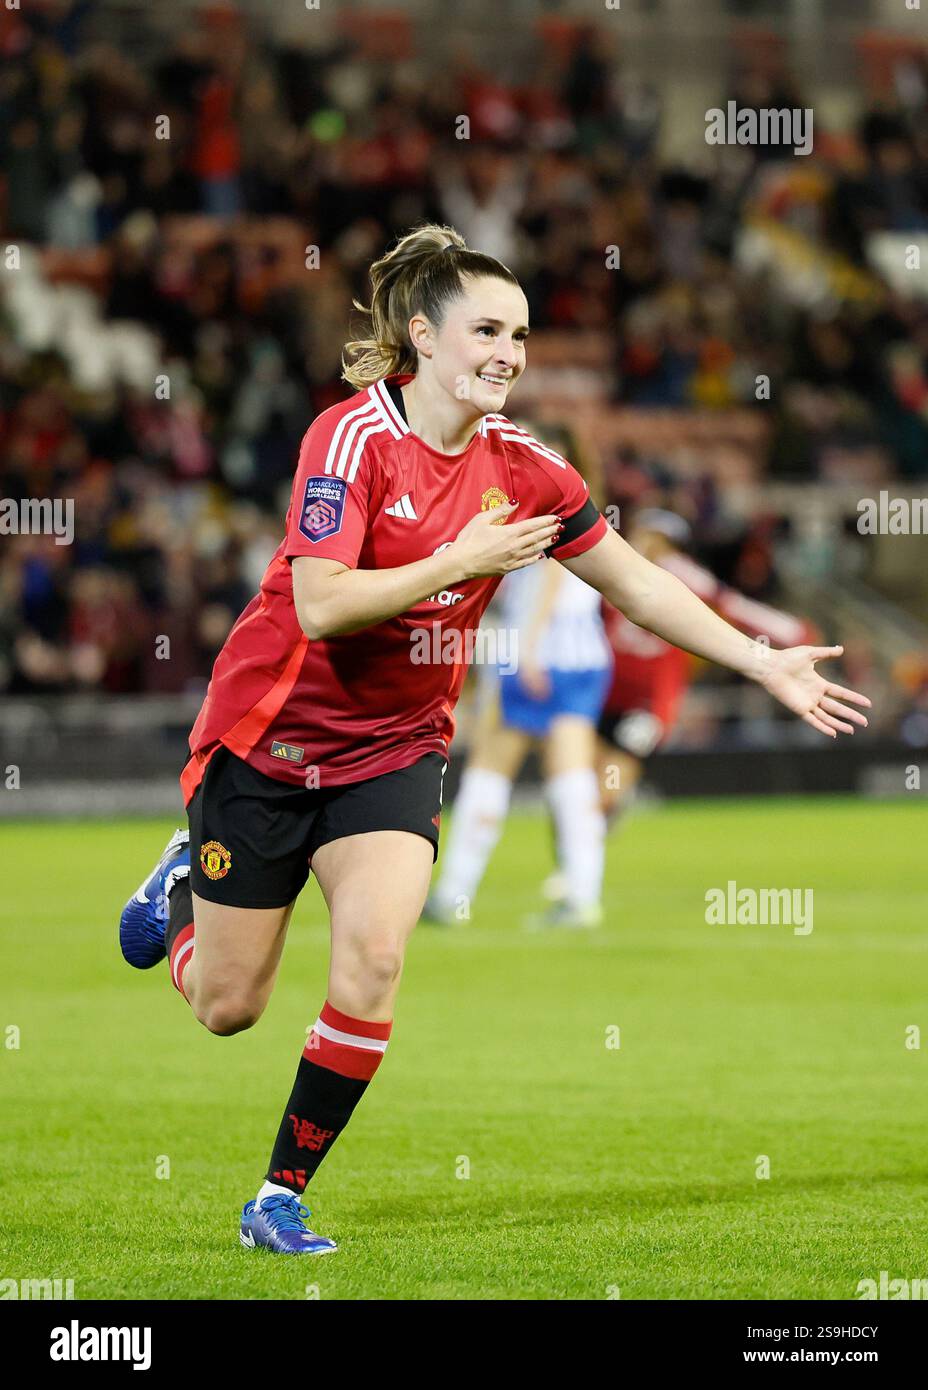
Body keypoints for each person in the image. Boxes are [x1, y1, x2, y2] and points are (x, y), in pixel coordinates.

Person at [118, 222, 870, 1257]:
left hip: (392, 750)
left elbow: (638, 584)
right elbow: (324, 604)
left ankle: (278, 1197)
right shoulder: (348, 439)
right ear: (423, 336)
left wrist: (760, 659)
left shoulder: (528, 468)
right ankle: (181, 891)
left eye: (519, 334)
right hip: (268, 741)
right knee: (226, 1006)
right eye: (486, 330)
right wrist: (459, 559)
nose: (508, 353)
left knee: (376, 959)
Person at [424, 423, 613, 929]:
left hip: (538, 651)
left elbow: (551, 572)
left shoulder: (539, 506)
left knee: (491, 772)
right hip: (582, 654)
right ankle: (582, 897)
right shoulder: (586, 504)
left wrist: (526, 649)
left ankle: (454, 895)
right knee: (571, 778)